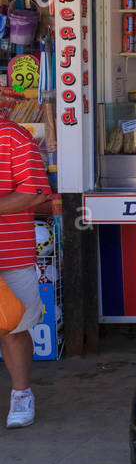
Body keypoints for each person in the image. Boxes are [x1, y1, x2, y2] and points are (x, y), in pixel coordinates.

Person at [0, 117, 51, 429]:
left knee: (14, 327)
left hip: (9, 252)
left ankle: (21, 394)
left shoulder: (13, 136)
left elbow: (35, 193)